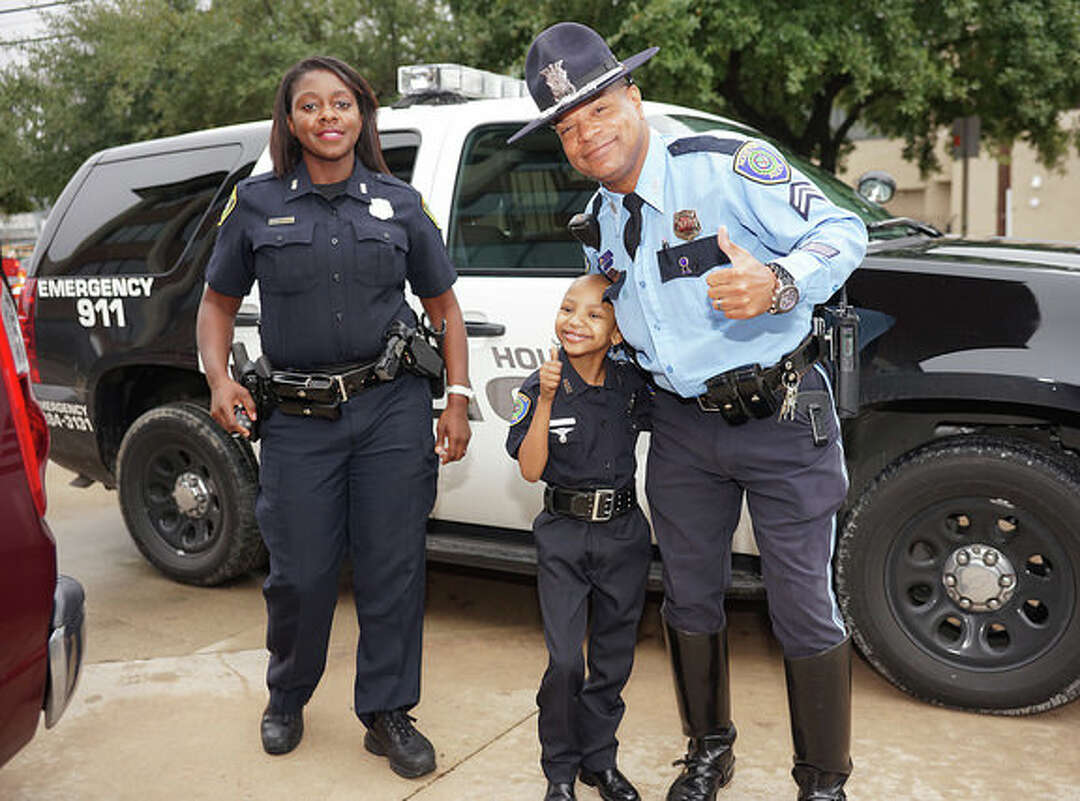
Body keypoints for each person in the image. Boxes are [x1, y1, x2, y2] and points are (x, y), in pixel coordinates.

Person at [509, 23, 868, 801]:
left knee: (803, 601)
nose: (587, 136)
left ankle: (823, 782)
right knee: (692, 596)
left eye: (598, 112)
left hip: (780, 413)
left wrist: (777, 282)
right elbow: (628, 326)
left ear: (633, 98)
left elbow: (845, 229)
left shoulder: (724, 167)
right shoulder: (602, 219)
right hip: (680, 429)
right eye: (568, 129)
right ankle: (709, 751)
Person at [196, 55, 472, 777]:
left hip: (391, 411)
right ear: (290, 121)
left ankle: (387, 711)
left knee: (393, 567)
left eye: (341, 104)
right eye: (311, 106)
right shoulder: (255, 204)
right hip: (296, 419)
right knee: (302, 574)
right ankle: (287, 692)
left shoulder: (400, 203)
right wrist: (219, 376)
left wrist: (460, 400)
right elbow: (217, 304)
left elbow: (444, 308)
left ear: (362, 114)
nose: (328, 117)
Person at [506, 274, 653, 801]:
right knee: (566, 660)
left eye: (594, 314)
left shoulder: (630, 384)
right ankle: (560, 772)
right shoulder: (540, 384)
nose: (576, 321)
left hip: (623, 535)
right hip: (564, 537)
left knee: (613, 657)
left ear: (617, 334)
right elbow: (529, 468)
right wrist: (545, 399)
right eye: (569, 309)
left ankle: (600, 761)